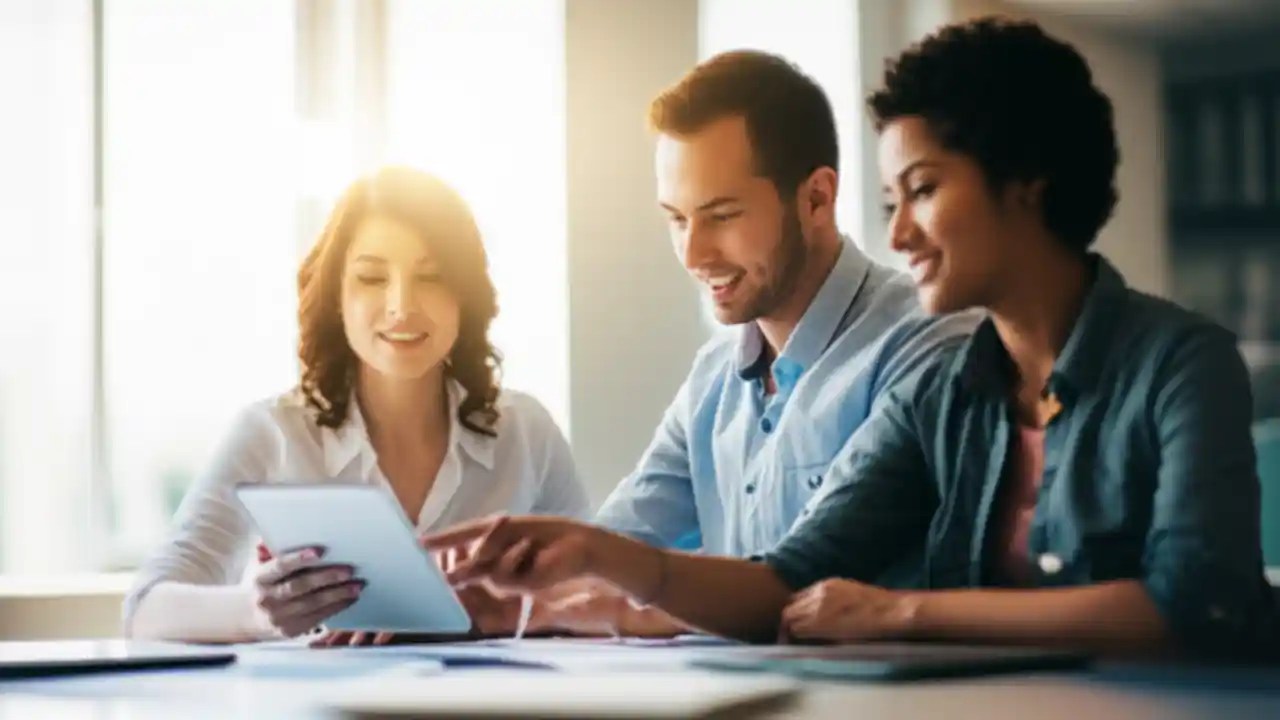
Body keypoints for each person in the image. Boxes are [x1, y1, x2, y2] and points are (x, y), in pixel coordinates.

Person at [426, 18, 1278, 659]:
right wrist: (590, 557)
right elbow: (789, 578)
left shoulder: (1176, 362)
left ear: (1026, 184)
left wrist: (907, 612)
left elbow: (1197, 601)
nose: (900, 234)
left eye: (924, 191)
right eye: (890, 202)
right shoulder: (945, 394)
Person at [536, 49, 976, 637]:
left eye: (721, 215)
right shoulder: (713, 376)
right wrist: (474, 602)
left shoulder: (926, 346)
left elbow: (796, 585)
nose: (693, 255)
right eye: (676, 219)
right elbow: (615, 546)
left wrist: (621, 602)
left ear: (816, 198)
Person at [124, 167, 588, 643]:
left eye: (432, 277)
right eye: (371, 278)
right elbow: (145, 611)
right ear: (337, 298)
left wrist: (509, 609)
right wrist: (254, 612)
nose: (401, 305)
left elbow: (599, 596)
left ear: (464, 297)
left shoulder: (526, 433)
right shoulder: (273, 433)